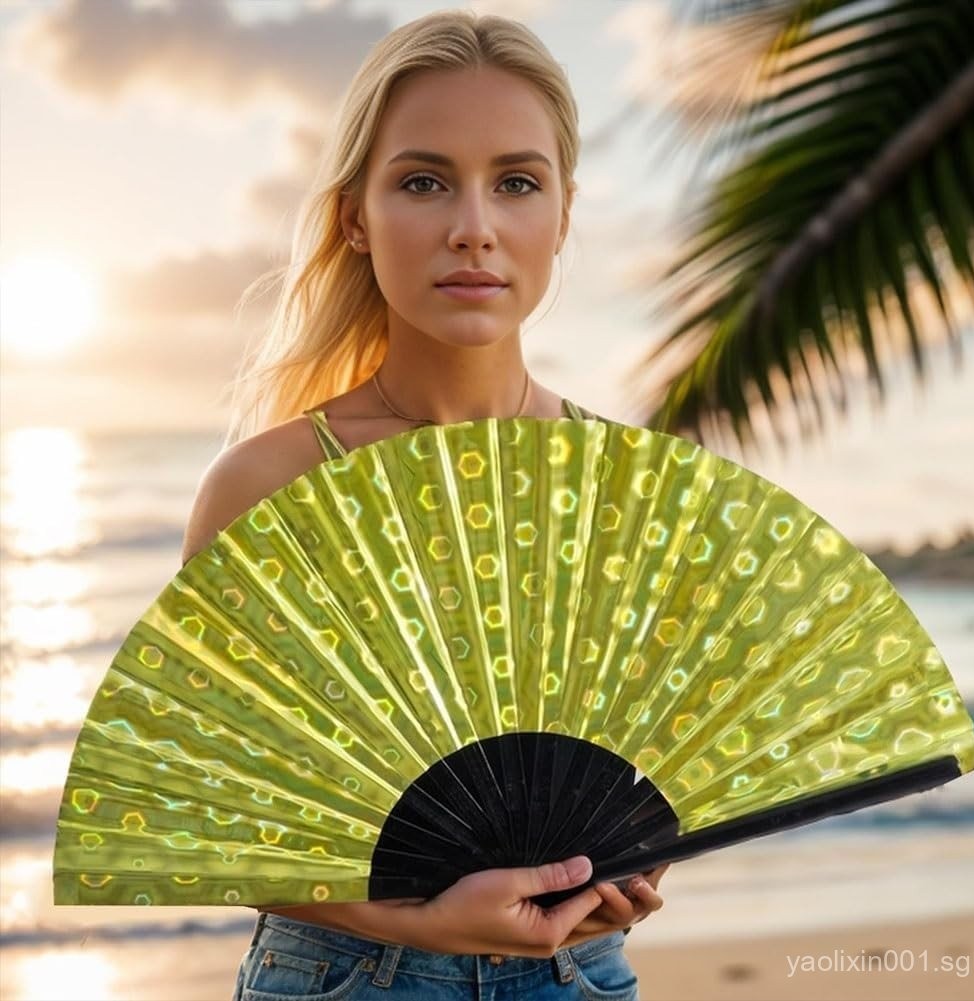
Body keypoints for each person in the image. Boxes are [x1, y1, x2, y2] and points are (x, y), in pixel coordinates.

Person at [180, 9, 670, 1000]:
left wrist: (628, 871)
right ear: (354, 217)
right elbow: (208, 810)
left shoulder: (623, 483)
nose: (472, 226)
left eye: (516, 183)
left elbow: (655, 761)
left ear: (562, 214)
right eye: (423, 181)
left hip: (579, 972)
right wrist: (419, 923)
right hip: (343, 977)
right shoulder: (269, 484)